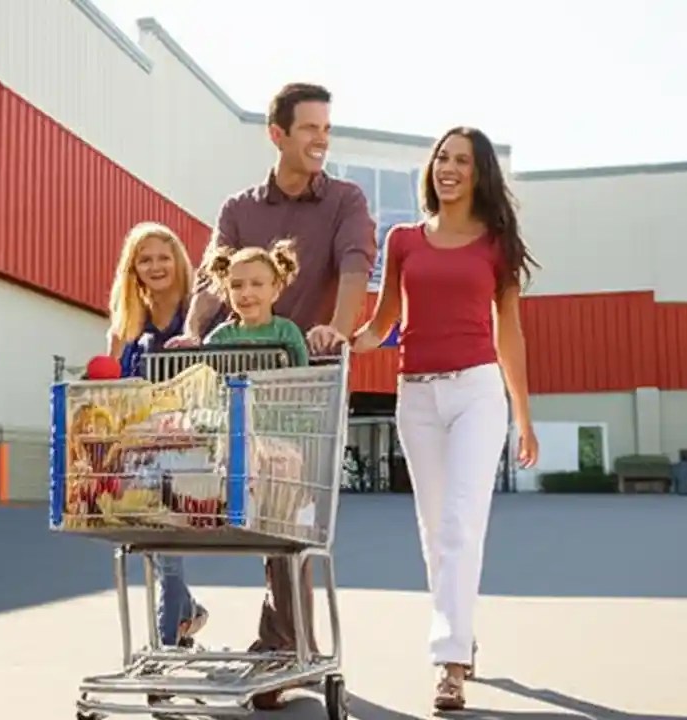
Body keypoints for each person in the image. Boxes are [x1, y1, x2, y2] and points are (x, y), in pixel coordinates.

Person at [168, 82, 376, 711]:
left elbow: (354, 266)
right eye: (310, 128)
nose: (321, 140)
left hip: (306, 387)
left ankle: (284, 646)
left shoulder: (345, 199)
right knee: (264, 523)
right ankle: (288, 648)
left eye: (327, 129)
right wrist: (192, 332)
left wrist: (336, 330)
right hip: (240, 393)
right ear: (277, 134)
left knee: (290, 523)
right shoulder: (240, 206)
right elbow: (214, 277)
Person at [351, 126, 540, 711]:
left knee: (460, 525)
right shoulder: (404, 240)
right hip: (417, 397)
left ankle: (449, 661)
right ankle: (461, 631)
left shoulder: (496, 244)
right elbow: (383, 322)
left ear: (480, 172)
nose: (448, 168)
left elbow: (509, 331)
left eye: (461, 160)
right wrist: (345, 339)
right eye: (441, 158)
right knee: (436, 534)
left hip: (478, 393)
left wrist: (524, 416)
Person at [106, 221, 209, 647]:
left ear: (179, 262)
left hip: (191, 447)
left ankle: (166, 642)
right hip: (140, 450)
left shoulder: (198, 316)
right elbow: (110, 387)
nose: (155, 265)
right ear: (133, 268)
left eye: (163, 257)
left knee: (165, 542)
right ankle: (185, 614)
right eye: (144, 259)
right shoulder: (125, 326)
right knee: (156, 543)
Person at [201, 240, 310, 367]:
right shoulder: (219, 338)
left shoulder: (287, 333)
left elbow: (302, 376)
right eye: (236, 285)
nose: (246, 293)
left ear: (276, 289)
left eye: (257, 284)